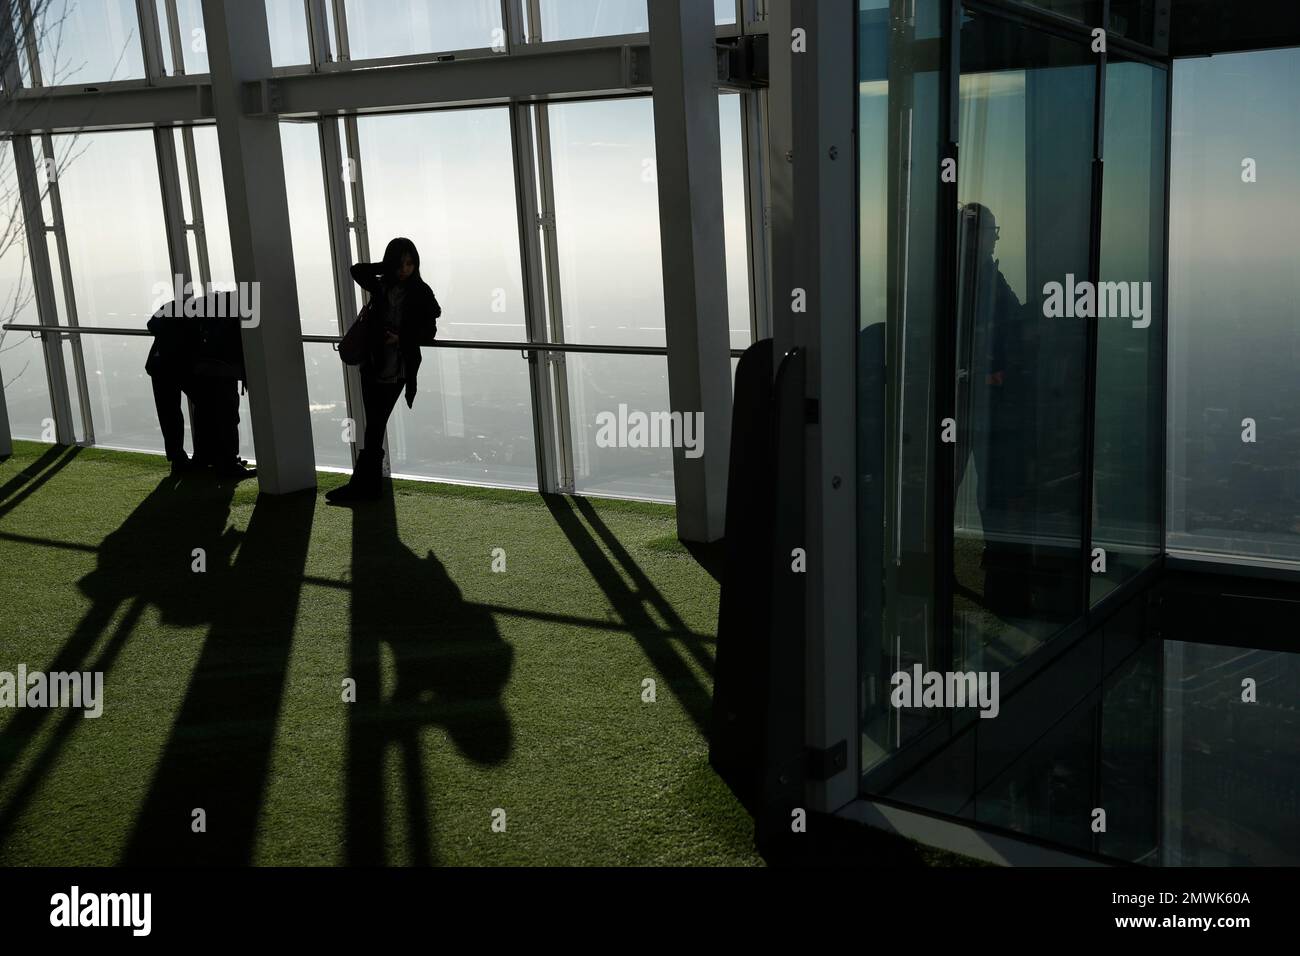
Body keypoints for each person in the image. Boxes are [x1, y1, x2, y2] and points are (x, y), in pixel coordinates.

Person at [327, 238, 441, 504]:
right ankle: (367, 488)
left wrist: (400, 337)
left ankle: (362, 488)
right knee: (373, 426)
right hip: (373, 362)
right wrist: (387, 267)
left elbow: (430, 328)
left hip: (398, 367)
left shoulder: (420, 291)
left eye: (410, 263)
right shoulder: (383, 285)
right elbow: (358, 270)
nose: (405, 269)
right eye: (400, 264)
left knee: (375, 425)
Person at [145, 291, 253, 481]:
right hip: (182, 365)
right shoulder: (227, 314)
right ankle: (224, 462)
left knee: (173, 413)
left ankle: (193, 460)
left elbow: (152, 325)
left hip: (161, 363)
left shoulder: (194, 308)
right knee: (219, 408)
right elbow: (224, 348)